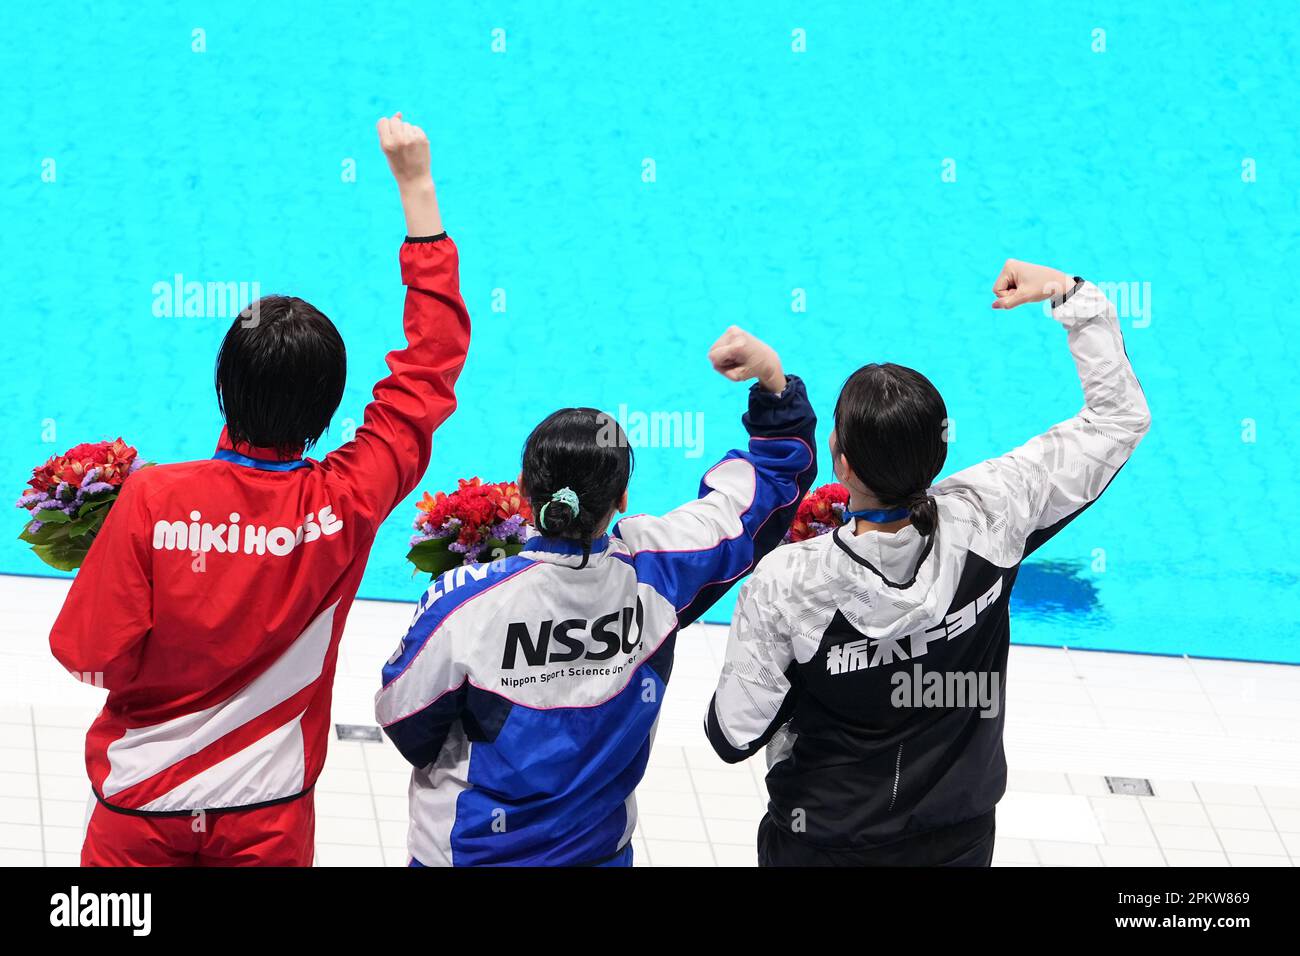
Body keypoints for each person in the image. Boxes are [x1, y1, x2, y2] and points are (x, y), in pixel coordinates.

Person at [49, 113, 471, 866]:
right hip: (268, 819)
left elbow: (85, 654)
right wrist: (417, 189)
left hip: (137, 813)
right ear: (329, 406)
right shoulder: (349, 500)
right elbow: (428, 367)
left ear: (223, 384)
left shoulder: (151, 500)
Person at [705, 260, 1152, 866]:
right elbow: (1117, 419)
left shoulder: (792, 581)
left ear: (840, 462)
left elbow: (734, 733)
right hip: (957, 839)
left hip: (824, 843)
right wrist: (1072, 296)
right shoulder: (996, 513)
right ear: (941, 451)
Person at [375, 327, 816, 866]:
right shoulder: (661, 573)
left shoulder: (463, 602)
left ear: (523, 489)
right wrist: (771, 380)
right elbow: (760, 497)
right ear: (623, 497)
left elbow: (405, 721)